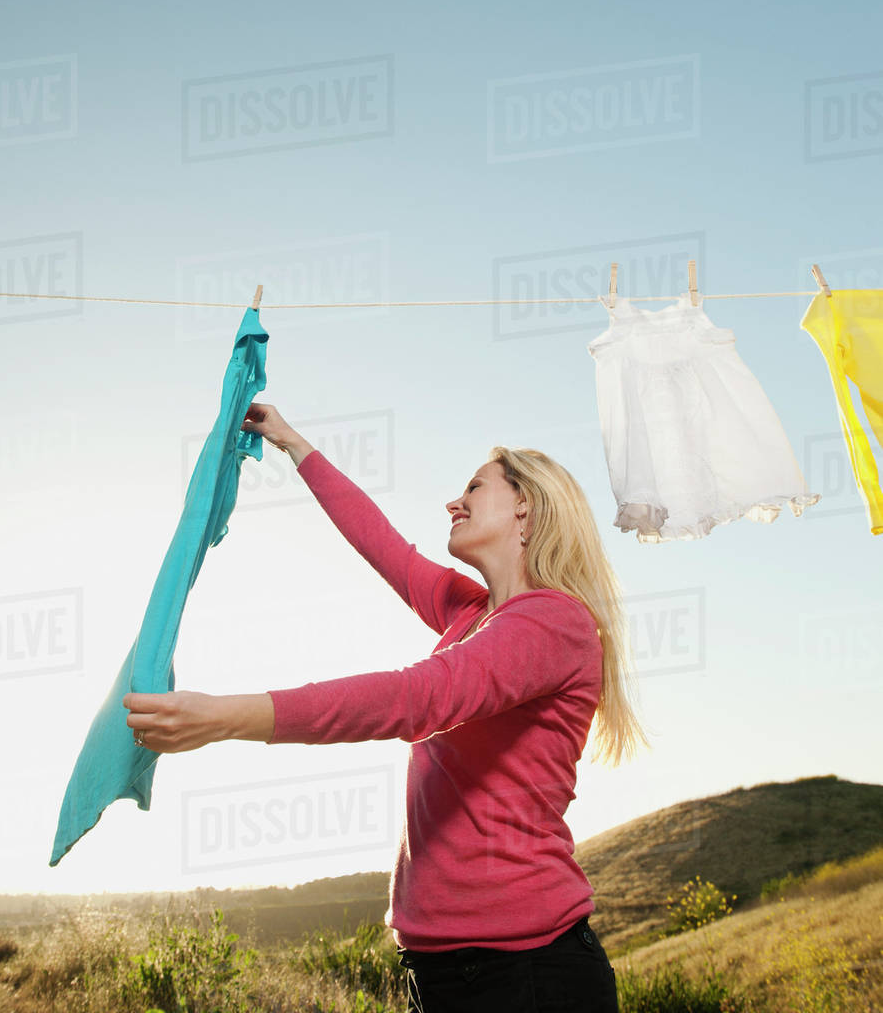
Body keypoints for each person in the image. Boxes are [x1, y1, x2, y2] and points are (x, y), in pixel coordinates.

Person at [124, 403, 651, 1013]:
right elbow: (380, 543)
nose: (454, 504)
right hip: (439, 970)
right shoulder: (470, 616)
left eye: (475, 488)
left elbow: (417, 698)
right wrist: (292, 442)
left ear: (526, 507)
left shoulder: (555, 623)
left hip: (527, 973)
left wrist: (226, 718)